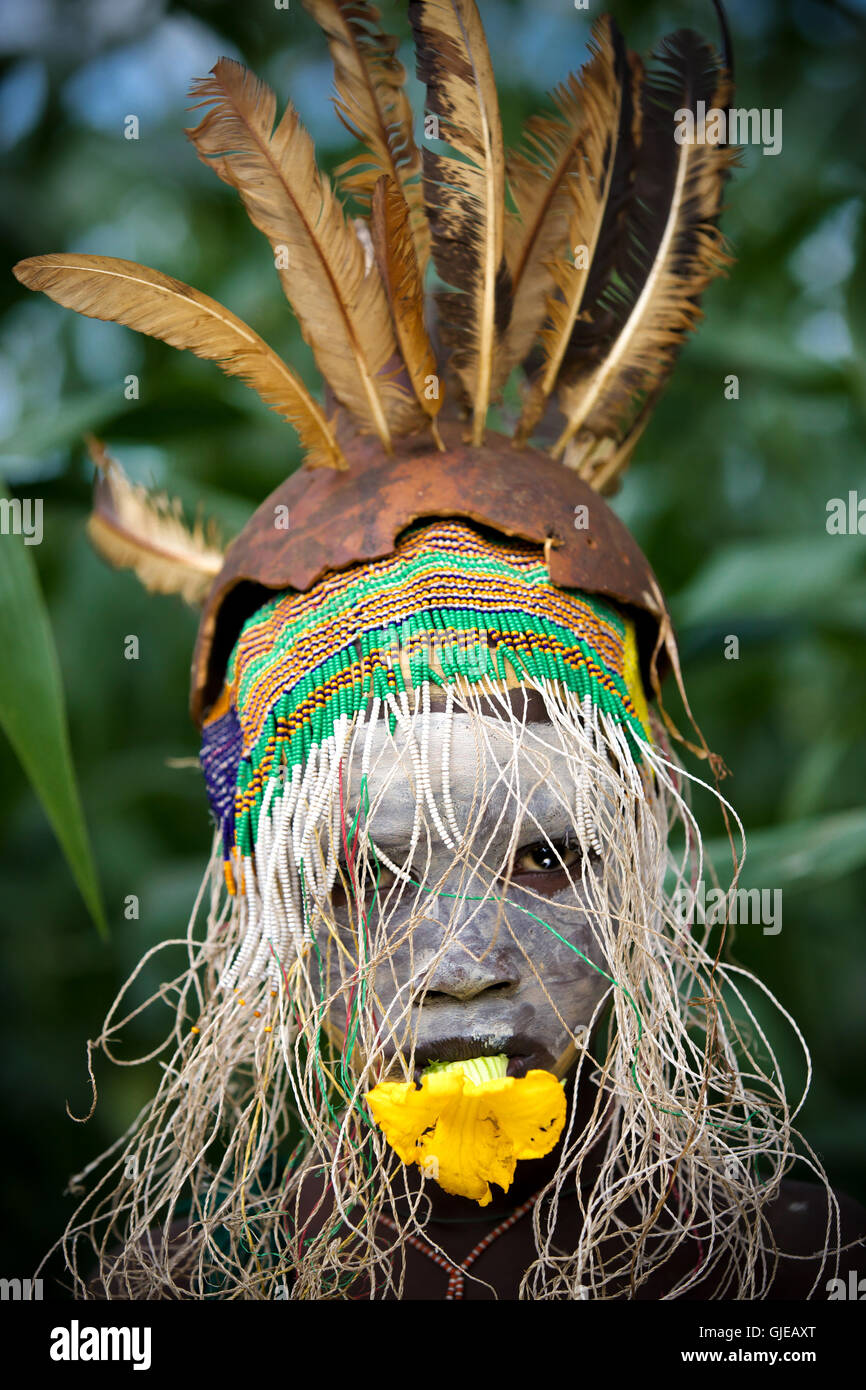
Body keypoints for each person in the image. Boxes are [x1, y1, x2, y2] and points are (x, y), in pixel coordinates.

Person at [15, 1, 864, 1299]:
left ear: (644, 855)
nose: (465, 954)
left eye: (542, 854)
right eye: (367, 872)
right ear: (260, 913)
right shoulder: (183, 1287)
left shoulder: (798, 1275)